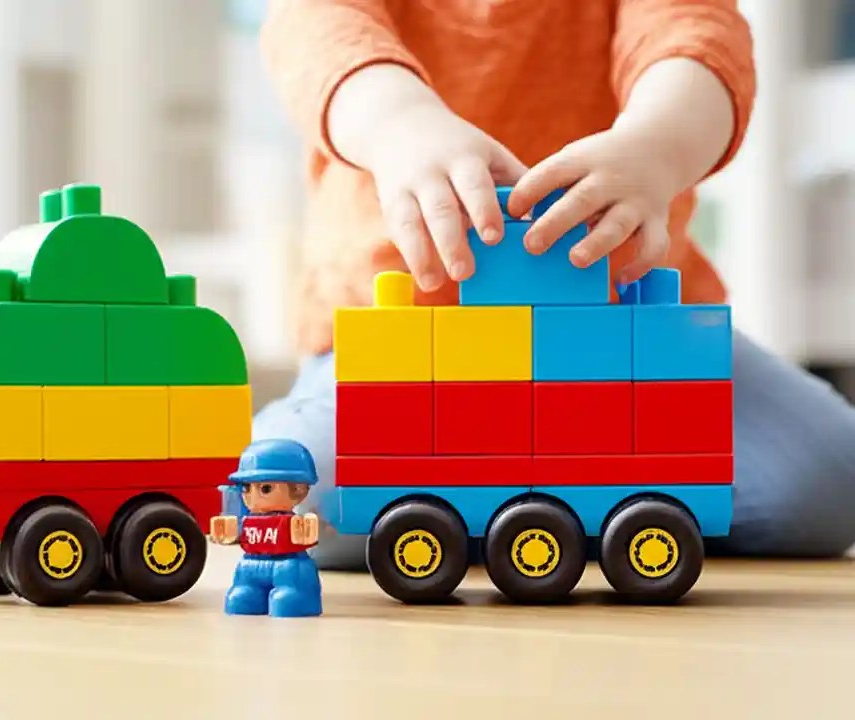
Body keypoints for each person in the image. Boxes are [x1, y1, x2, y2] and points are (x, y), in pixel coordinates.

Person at [253, 0, 855, 570]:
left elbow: (693, 32)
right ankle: (533, 509)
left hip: (638, 342)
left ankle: (546, 509)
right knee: (294, 500)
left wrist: (658, 143)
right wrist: (398, 124)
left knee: (832, 480)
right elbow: (317, 29)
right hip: (411, 345)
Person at [210, 439, 324, 617]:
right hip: (250, 564)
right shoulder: (247, 520)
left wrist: (305, 530)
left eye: (265, 489)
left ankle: (298, 598)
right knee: (241, 598)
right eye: (246, 488)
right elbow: (240, 535)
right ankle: (250, 594)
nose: (252, 496)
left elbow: (306, 534)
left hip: (288, 565)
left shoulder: (292, 521)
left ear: (299, 490)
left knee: (288, 598)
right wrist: (227, 533)